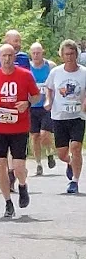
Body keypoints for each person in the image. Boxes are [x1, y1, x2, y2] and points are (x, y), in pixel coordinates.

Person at [0, 44, 40, 218]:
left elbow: (36, 95)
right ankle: (8, 202)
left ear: (15, 57)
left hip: (19, 127)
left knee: (18, 167)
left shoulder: (25, 75)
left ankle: (22, 185)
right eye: (4, 56)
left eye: (10, 55)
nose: (7, 59)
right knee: (0, 166)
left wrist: (27, 103)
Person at [44, 39, 86, 194]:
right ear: (61, 55)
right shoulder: (56, 72)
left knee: (76, 147)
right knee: (62, 153)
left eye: (72, 54)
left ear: (76, 54)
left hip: (78, 116)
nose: (69, 57)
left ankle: (74, 181)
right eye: (66, 54)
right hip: (59, 116)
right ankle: (69, 162)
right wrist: (48, 100)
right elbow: (49, 88)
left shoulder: (84, 72)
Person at [28, 42, 56, 176]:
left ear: (42, 53)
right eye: (33, 53)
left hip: (46, 106)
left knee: (44, 133)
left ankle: (49, 152)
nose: (36, 55)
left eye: (38, 53)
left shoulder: (50, 66)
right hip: (32, 106)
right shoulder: (27, 67)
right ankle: (38, 164)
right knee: (35, 136)